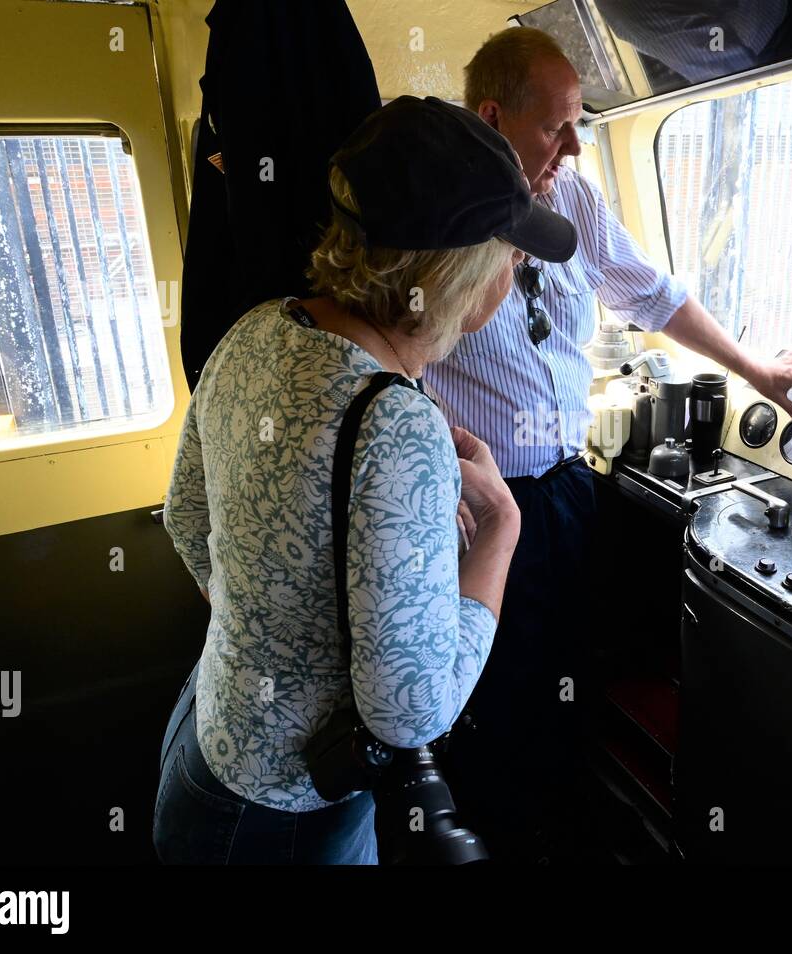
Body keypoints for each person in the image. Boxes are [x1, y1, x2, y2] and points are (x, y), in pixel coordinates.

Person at [426, 27, 792, 862]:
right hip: (476, 503)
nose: (575, 146)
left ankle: (558, 833)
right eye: (558, 128)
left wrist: (754, 368)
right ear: (494, 116)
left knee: (567, 680)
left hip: (564, 488)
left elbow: (650, 294)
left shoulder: (572, 194)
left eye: (582, 125)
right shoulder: (437, 211)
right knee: (487, 698)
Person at [152, 95, 577, 864]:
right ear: (459, 270)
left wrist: (267, 632)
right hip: (286, 812)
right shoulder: (395, 422)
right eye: (510, 256)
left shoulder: (258, 328)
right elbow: (409, 716)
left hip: (203, 748)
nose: (515, 274)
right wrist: (502, 536)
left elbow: (184, 516)